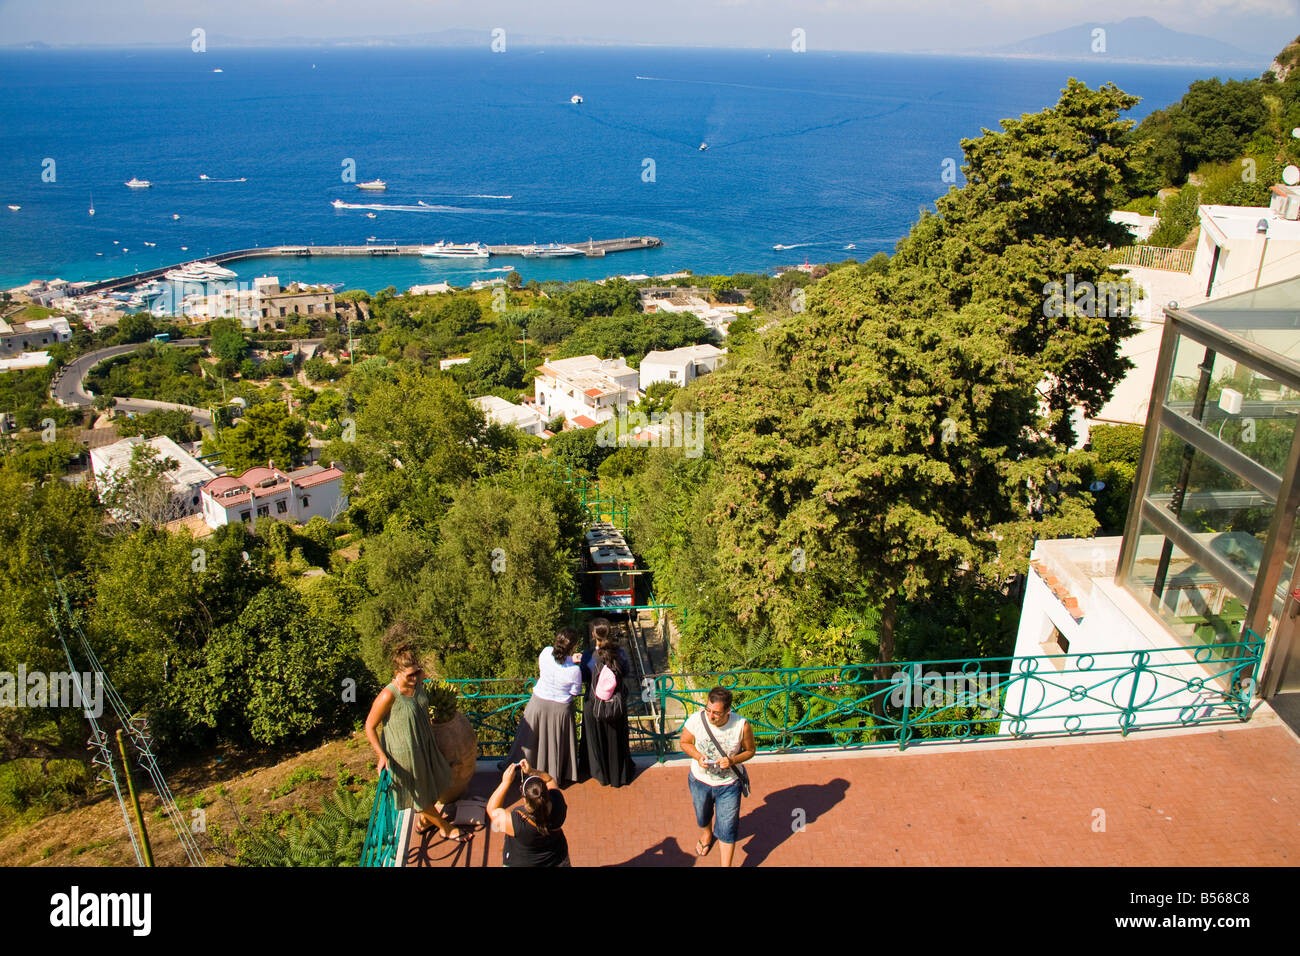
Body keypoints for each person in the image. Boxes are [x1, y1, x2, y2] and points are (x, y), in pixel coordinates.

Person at [364, 633, 463, 841]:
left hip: (425, 744)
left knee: (437, 781)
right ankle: (444, 827)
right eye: (410, 675)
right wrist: (381, 755)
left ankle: (426, 821)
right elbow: (370, 726)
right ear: (396, 673)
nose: (415, 677)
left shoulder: (418, 683)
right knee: (420, 795)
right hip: (404, 754)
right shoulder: (388, 695)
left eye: (417, 672)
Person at [679, 686, 755, 866]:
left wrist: (733, 760)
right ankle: (706, 834)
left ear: (728, 711)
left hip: (729, 784)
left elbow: (751, 750)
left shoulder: (741, 725)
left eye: (716, 713)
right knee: (702, 816)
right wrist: (698, 757)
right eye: (708, 710)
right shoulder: (696, 720)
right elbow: (684, 742)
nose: (710, 716)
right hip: (700, 781)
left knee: (728, 828)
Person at [505, 628, 583, 784]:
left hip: (538, 703)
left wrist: (568, 659)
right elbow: (575, 692)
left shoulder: (546, 653)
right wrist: (571, 662)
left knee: (531, 739)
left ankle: (523, 767)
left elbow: (548, 667)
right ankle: (553, 774)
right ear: (573, 647)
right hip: (560, 710)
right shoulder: (575, 670)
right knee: (555, 743)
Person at [577, 619, 635, 787]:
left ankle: (600, 773)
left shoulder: (589, 655)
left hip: (594, 704)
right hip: (616, 703)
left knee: (596, 740)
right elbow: (626, 671)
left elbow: (584, 676)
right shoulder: (620, 653)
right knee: (617, 738)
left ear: (594, 635)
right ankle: (619, 774)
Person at [487, 759, 571, 867]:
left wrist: (505, 782)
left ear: (526, 800)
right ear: (546, 793)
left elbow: (492, 809)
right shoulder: (558, 805)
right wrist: (532, 771)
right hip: (556, 859)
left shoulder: (518, 824)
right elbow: (549, 780)